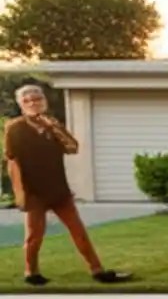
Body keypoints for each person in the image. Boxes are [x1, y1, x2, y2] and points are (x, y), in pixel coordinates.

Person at [4, 85, 130, 286]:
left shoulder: (52, 125)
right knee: (34, 236)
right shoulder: (15, 128)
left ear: (44, 101)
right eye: (27, 100)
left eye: (37, 99)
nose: (33, 103)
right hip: (33, 191)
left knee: (78, 231)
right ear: (21, 104)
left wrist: (53, 127)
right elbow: (11, 159)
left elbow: (73, 148)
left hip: (58, 189)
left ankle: (97, 270)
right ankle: (31, 272)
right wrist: (20, 194)